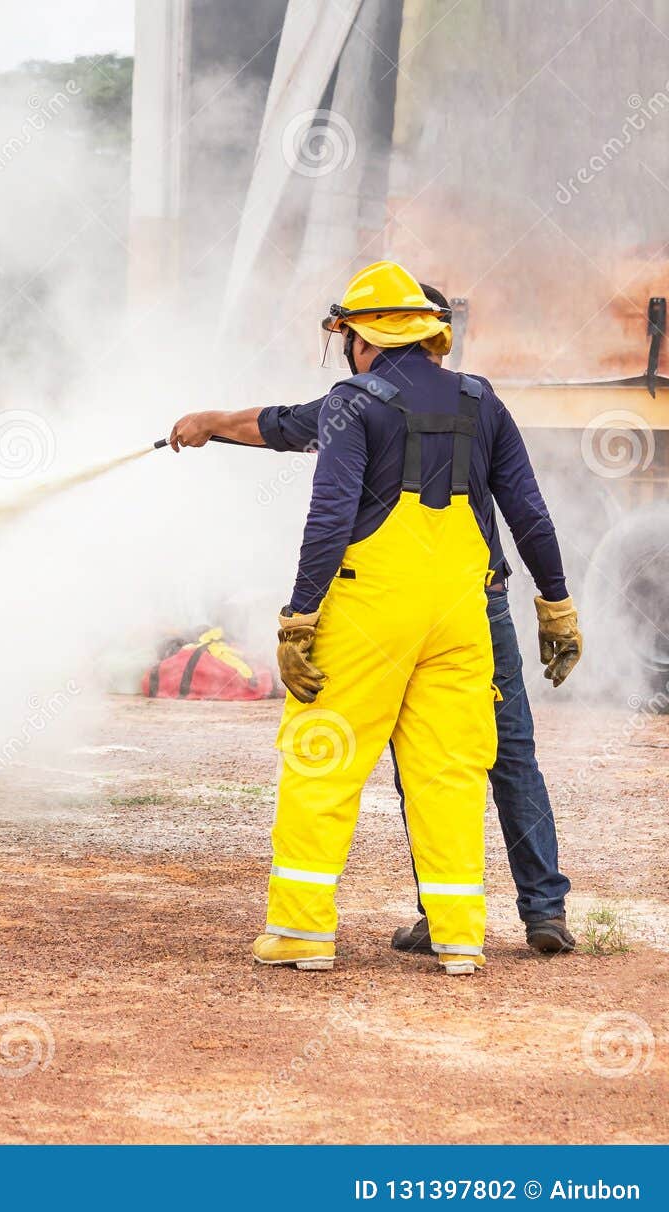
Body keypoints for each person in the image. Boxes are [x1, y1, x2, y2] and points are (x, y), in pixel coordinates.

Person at [172, 260, 581, 973]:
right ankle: (459, 933)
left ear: (361, 336)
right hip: (463, 617)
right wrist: (557, 604)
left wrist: (300, 617)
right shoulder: (482, 401)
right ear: (427, 333)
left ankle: (301, 931)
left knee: (322, 758)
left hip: (369, 616)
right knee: (452, 769)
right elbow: (530, 516)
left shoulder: (352, 402)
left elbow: (329, 516)